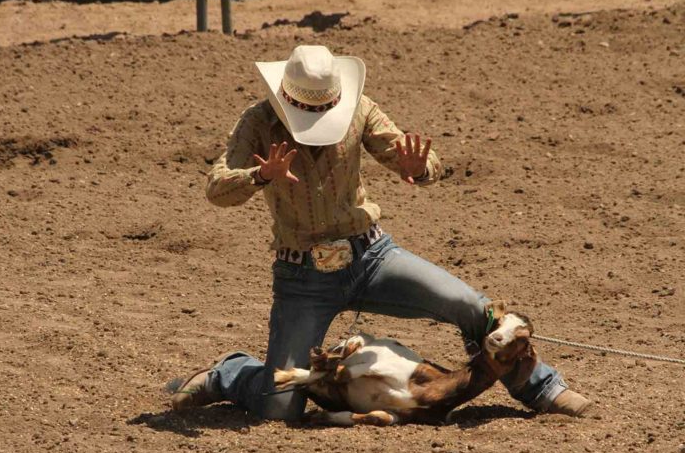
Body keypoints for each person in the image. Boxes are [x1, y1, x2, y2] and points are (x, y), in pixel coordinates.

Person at [167, 45, 591, 421]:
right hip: (302, 277)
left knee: (471, 306)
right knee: (279, 407)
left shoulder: (360, 109)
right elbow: (216, 188)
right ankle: (232, 372)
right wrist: (259, 176)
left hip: (371, 257)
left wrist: (418, 168)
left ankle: (541, 386)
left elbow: (418, 157)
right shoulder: (257, 122)